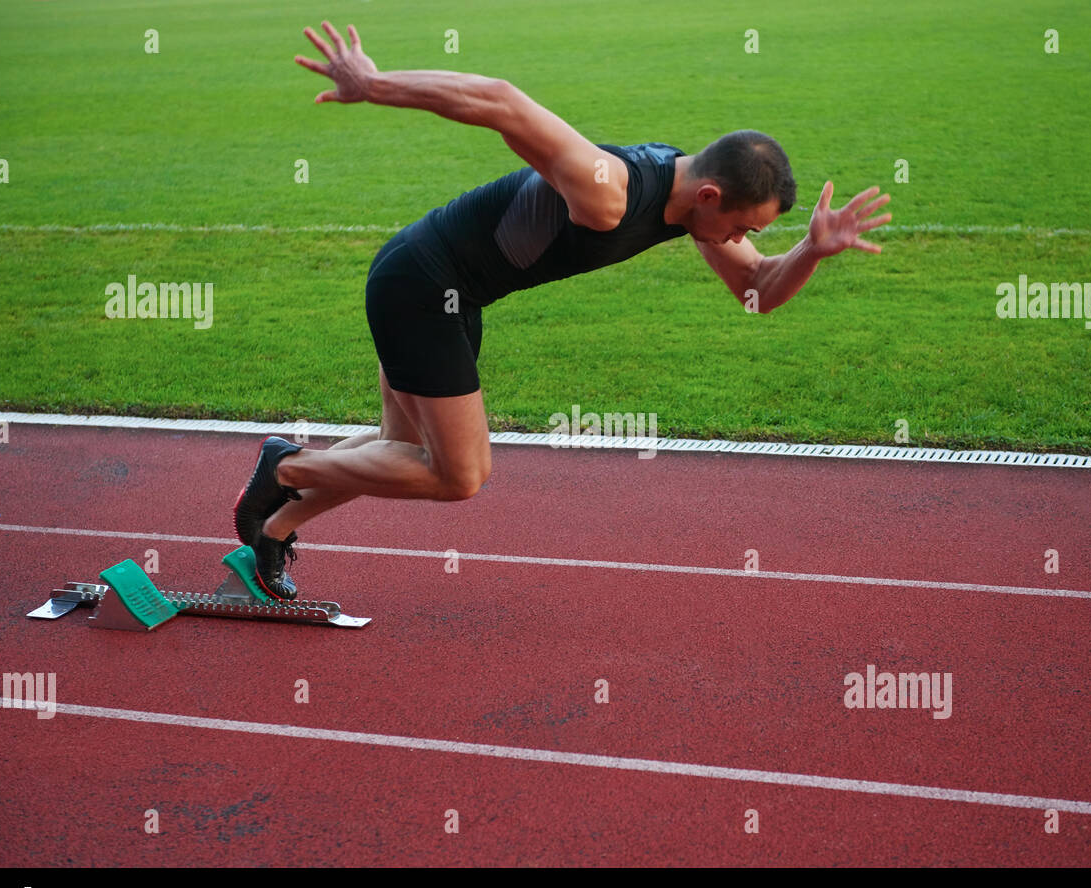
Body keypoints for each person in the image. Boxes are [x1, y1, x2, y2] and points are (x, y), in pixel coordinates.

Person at [235, 21, 892, 599]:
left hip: (447, 289)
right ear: (712, 196)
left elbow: (757, 293)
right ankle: (284, 467)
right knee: (459, 473)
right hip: (421, 284)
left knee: (399, 450)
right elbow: (501, 100)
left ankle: (271, 526)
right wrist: (374, 85)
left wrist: (810, 249)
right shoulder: (612, 190)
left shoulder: (691, 205)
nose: (737, 242)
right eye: (740, 227)